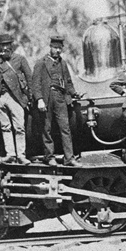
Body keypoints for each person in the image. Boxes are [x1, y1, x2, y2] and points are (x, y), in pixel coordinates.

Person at [32, 35, 80, 166]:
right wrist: (40, 100)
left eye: (60, 48)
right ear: (50, 48)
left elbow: (68, 82)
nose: (58, 51)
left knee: (65, 128)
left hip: (60, 98)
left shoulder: (63, 63)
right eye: (55, 48)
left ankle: (69, 158)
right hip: (46, 98)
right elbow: (35, 84)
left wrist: (74, 93)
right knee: (46, 129)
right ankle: (49, 157)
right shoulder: (41, 63)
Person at [0, 32, 32, 164]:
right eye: (2, 46)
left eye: (7, 45)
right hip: (0, 99)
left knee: (19, 127)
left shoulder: (20, 60)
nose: (4, 48)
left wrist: (30, 97)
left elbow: (30, 78)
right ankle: (10, 154)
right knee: (5, 127)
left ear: (11, 46)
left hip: (16, 98)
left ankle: (21, 155)